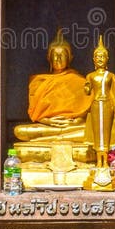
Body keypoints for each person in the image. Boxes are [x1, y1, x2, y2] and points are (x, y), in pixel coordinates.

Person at [14, 29, 94, 164]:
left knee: (90, 131)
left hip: (72, 127)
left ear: (70, 58)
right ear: (49, 58)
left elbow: (88, 112)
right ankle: (57, 138)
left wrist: (77, 121)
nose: (58, 59)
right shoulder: (38, 81)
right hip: (48, 127)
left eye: (62, 55)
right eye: (55, 55)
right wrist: (48, 121)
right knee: (19, 131)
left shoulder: (80, 81)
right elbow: (35, 114)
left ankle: (46, 141)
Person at [84, 36, 115, 169]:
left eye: (102, 56)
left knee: (106, 133)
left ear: (107, 59)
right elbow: (87, 92)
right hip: (95, 105)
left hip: (107, 105)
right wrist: (87, 87)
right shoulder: (90, 76)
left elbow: (114, 93)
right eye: (97, 56)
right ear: (93, 59)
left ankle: (105, 160)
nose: (100, 59)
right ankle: (98, 160)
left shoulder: (111, 76)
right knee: (97, 133)